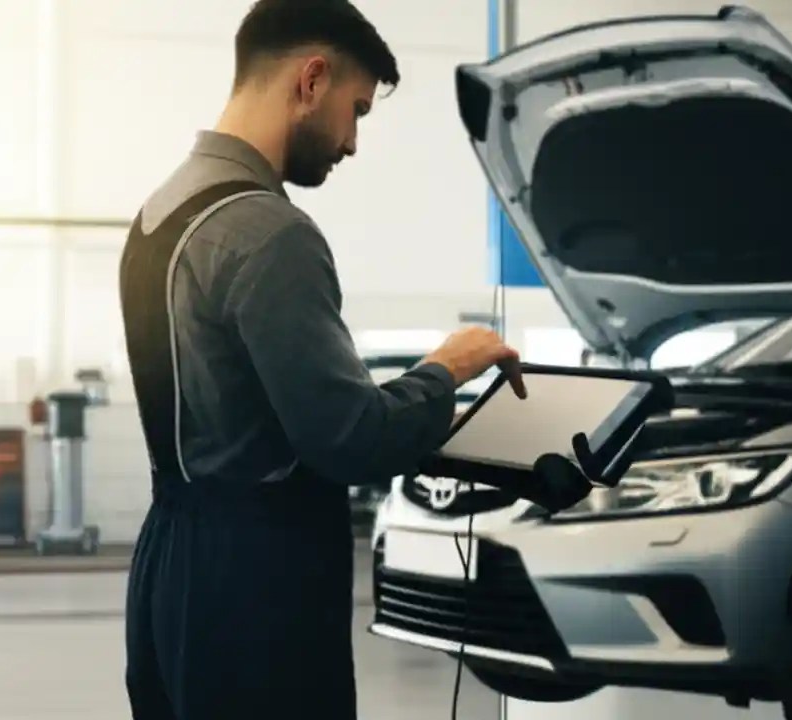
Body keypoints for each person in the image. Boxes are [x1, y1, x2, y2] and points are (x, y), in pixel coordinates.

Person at [119, 1, 526, 717]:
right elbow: (352, 440)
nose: (353, 142)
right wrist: (448, 367)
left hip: (169, 568)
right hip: (257, 587)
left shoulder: (159, 213)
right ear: (311, 80)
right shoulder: (269, 231)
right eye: (357, 110)